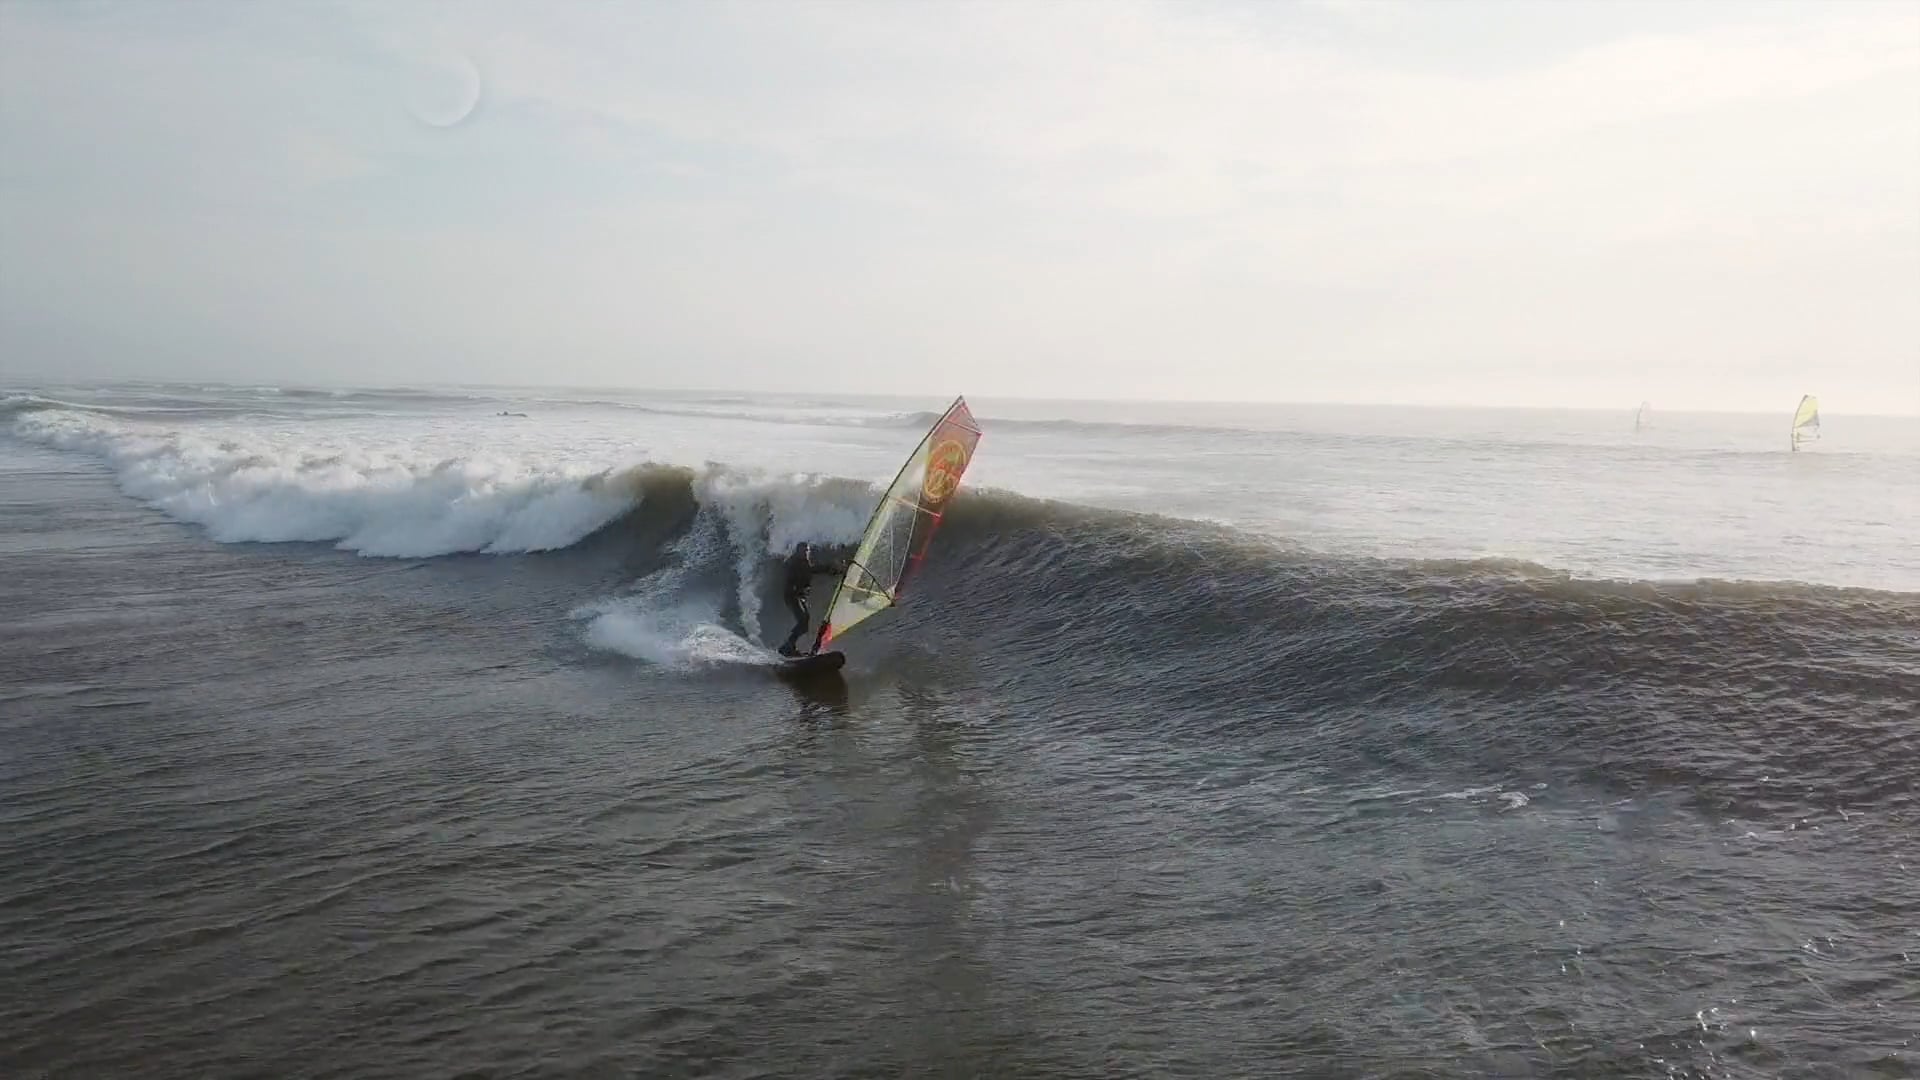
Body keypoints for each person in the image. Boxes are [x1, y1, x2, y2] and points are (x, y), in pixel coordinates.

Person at [778, 542, 843, 656]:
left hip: (798, 596)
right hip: (793, 596)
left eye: (807, 550)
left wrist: (833, 570)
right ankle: (787, 646)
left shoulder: (803, 562)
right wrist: (831, 568)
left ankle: (788, 646)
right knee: (803, 621)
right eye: (804, 551)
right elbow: (812, 569)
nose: (806, 553)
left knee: (804, 623)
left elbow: (812, 569)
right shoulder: (797, 563)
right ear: (798, 552)